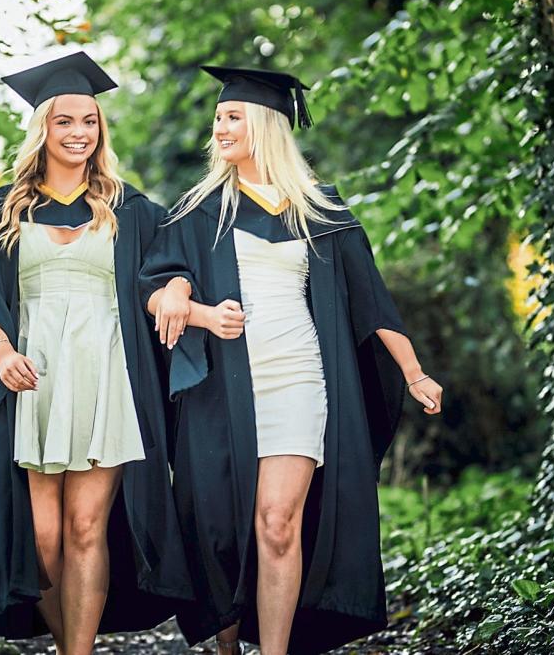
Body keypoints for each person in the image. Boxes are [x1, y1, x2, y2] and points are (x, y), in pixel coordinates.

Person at [140, 65, 445, 655]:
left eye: (232, 117)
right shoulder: (200, 208)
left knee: (277, 521)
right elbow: (155, 282)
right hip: (222, 387)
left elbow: (371, 301)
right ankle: (228, 647)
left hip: (299, 375)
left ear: (264, 125)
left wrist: (414, 372)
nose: (219, 127)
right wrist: (184, 298)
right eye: (219, 117)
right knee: (221, 527)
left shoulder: (320, 208)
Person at [0, 51, 190, 655]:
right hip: (33, 375)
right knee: (46, 537)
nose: (80, 132)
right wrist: (2, 354)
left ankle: (76, 653)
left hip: (106, 371)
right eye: (65, 121)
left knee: (87, 529)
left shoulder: (129, 208)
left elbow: (171, 266)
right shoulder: (4, 211)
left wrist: (183, 290)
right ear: (43, 128)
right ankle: (66, 642)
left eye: (90, 121)